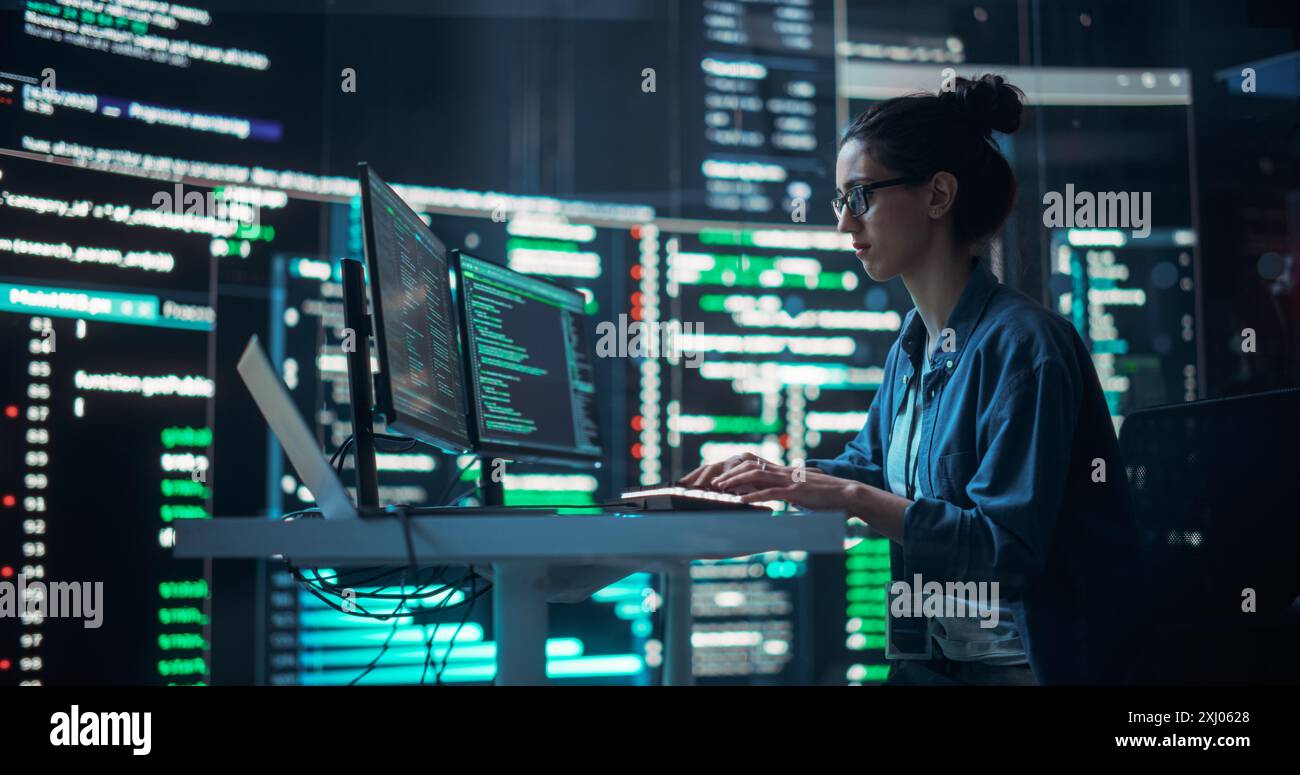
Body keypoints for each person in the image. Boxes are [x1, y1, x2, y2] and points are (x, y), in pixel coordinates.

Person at [679, 74, 1142, 686]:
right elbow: (871, 468)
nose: (845, 225)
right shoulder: (915, 345)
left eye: (860, 196)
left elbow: (1005, 547)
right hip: (935, 665)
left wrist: (847, 499)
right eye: (839, 201)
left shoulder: (1026, 346)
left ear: (938, 195)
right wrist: (775, 478)